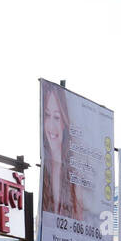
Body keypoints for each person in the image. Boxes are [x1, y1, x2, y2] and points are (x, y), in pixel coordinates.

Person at [41, 84, 83, 219]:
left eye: (57, 117)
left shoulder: (74, 176)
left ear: (64, 122)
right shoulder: (44, 172)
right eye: (47, 115)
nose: (51, 126)